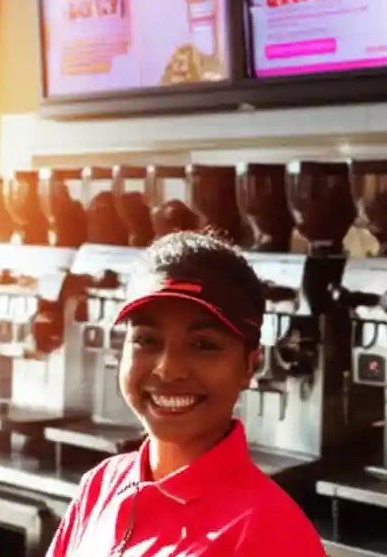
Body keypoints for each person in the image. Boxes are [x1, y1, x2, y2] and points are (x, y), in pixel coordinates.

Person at [46, 230, 327, 556]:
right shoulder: (100, 486)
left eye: (203, 345)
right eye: (147, 340)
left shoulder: (271, 534)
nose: (168, 369)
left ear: (250, 365)